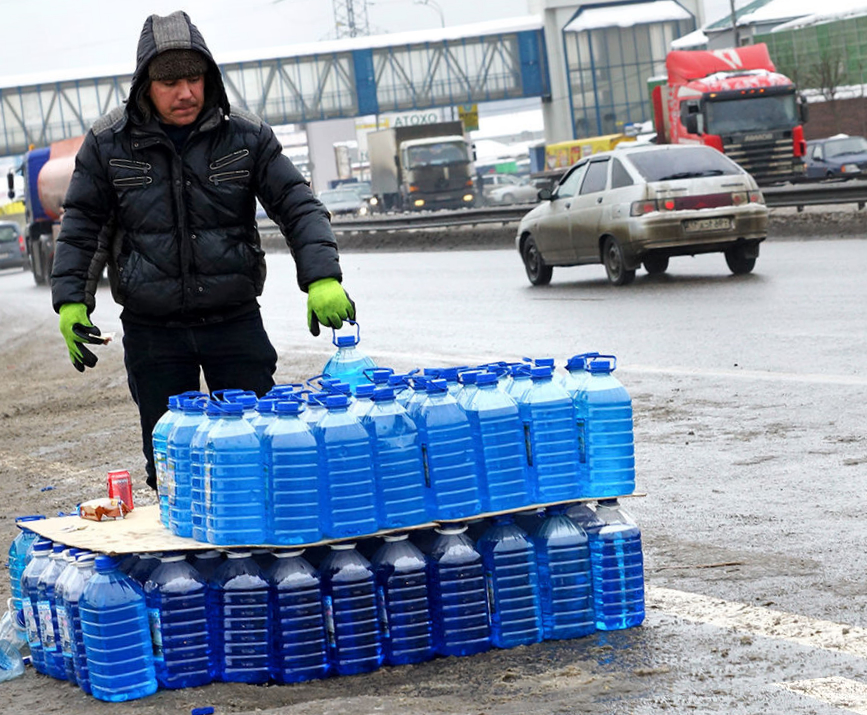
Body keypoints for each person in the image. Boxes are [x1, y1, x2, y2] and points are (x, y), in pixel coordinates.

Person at [50, 10, 355, 492]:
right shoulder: (109, 143)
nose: (185, 93)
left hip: (233, 323)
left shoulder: (246, 135)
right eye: (170, 82)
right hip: (153, 333)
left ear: (209, 77)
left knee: (259, 452)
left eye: (194, 78)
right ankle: (185, 563)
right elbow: (83, 225)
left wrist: (322, 277)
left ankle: (262, 562)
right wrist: (71, 301)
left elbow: (299, 206)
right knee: (171, 468)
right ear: (145, 85)